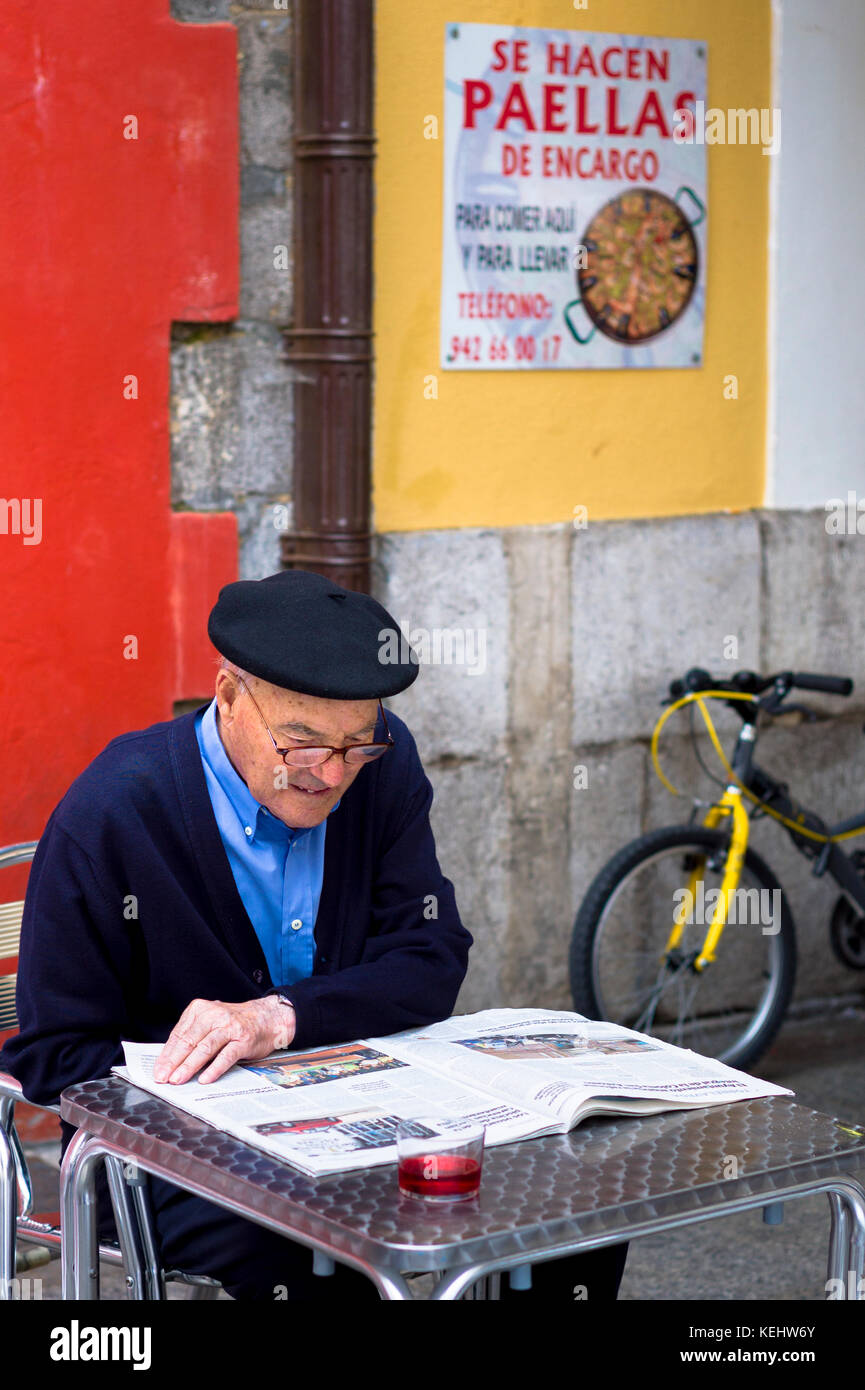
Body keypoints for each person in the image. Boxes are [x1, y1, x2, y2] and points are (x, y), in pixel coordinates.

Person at [2, 569, 628, 1300]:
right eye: (299, 741)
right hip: (164, 1158)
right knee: (314, 1245)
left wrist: (281, 1018)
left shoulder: (384, 766)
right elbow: (57, 1054)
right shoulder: (116, 807)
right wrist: (205, 1076)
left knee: (569, 1202)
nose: (328, 774)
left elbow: (428, 955)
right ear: (228, 694)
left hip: (362, 1111)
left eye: (354, 745)